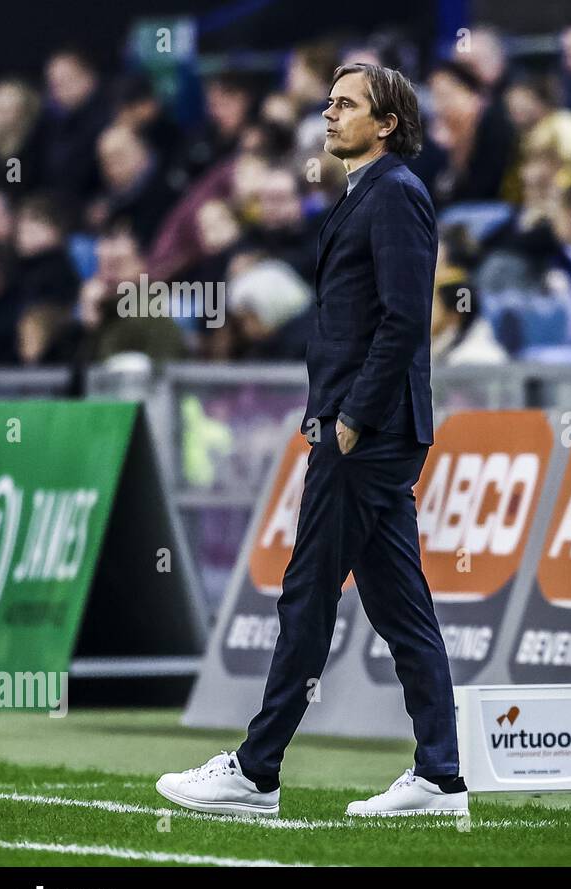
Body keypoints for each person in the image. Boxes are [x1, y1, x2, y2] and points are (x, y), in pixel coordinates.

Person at [157, 63, 466, 820]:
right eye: (326, 104)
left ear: (387, 121)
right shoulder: (365, 193)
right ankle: (441, 777)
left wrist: (352, 417)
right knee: (401, 608)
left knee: (306, 596)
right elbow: (353, 322)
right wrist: (323, 408)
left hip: (372, 431)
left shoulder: (394, 195)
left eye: (345, 105)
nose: (327, 116)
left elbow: (402, 319)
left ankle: (257, 771)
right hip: (365, 425)